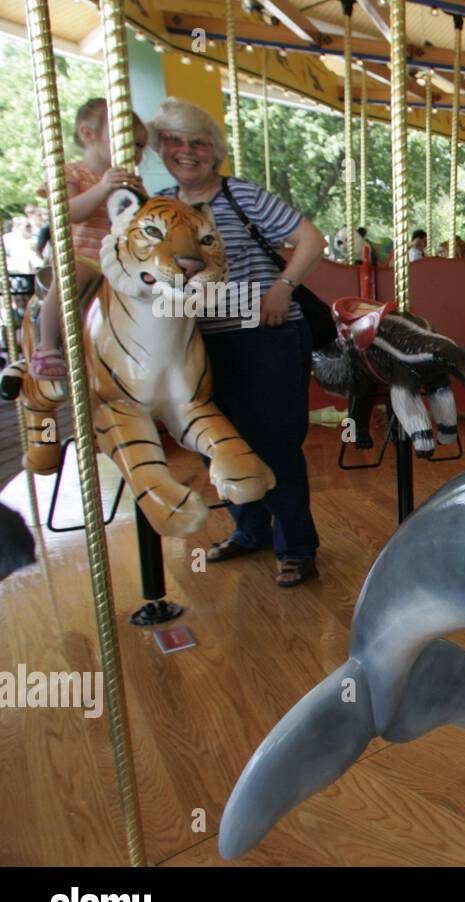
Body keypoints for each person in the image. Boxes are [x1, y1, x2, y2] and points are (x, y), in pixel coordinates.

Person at [150, 97, 326, 588]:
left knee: (273, 444)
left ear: (215, 151)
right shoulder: (160, 206)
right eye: (175, 142)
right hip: (196, 343)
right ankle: (251, 531)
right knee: (216, 445)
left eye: (198, 142)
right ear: (161, 149)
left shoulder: (241, 196)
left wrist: (282, 287)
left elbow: (312, 239)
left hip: (263, 335)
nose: (187, 151)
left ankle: (297, 546)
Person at [29, 99, 147, 381]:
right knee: (73, 281)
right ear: (87, 134)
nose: (134, 151)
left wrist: (142, 197)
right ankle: (46, 348)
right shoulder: (71, 173)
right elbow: (67, 212)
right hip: (84, 255)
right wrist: (105, 187)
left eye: (141, 146)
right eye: (125, 141)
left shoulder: (129, 180)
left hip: (119, 260)